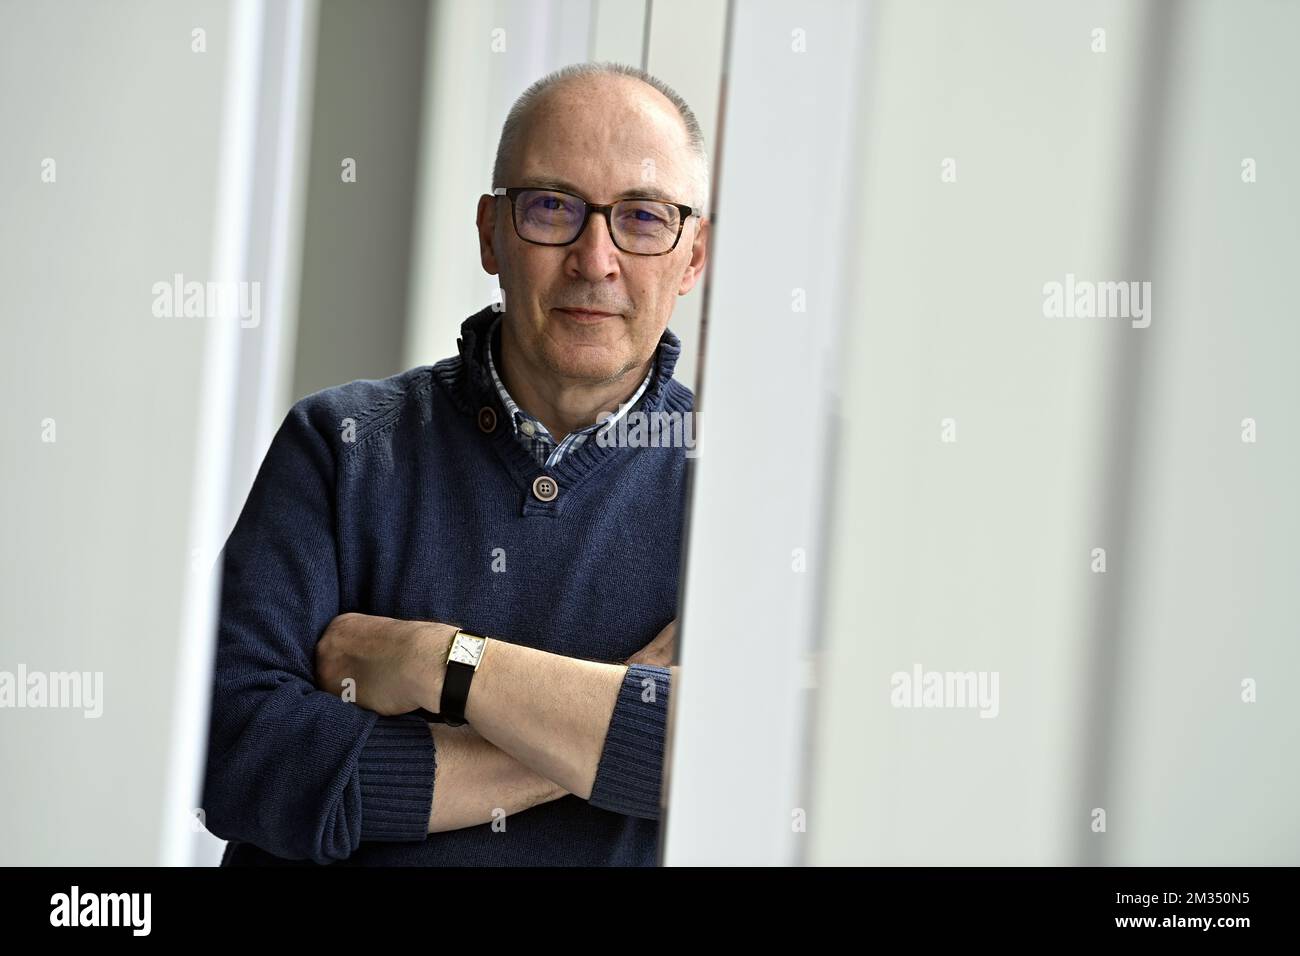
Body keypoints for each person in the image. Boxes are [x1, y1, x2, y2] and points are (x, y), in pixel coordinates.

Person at [201, 61, 711, 866]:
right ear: (490, 232)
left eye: (643, 219)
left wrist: (438, 662)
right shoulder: (340, 446)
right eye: (553, 207)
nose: (595, 258)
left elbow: (737, 755)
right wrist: (608, 728)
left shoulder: (740, 496)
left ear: (692, 257)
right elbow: (236, 751)